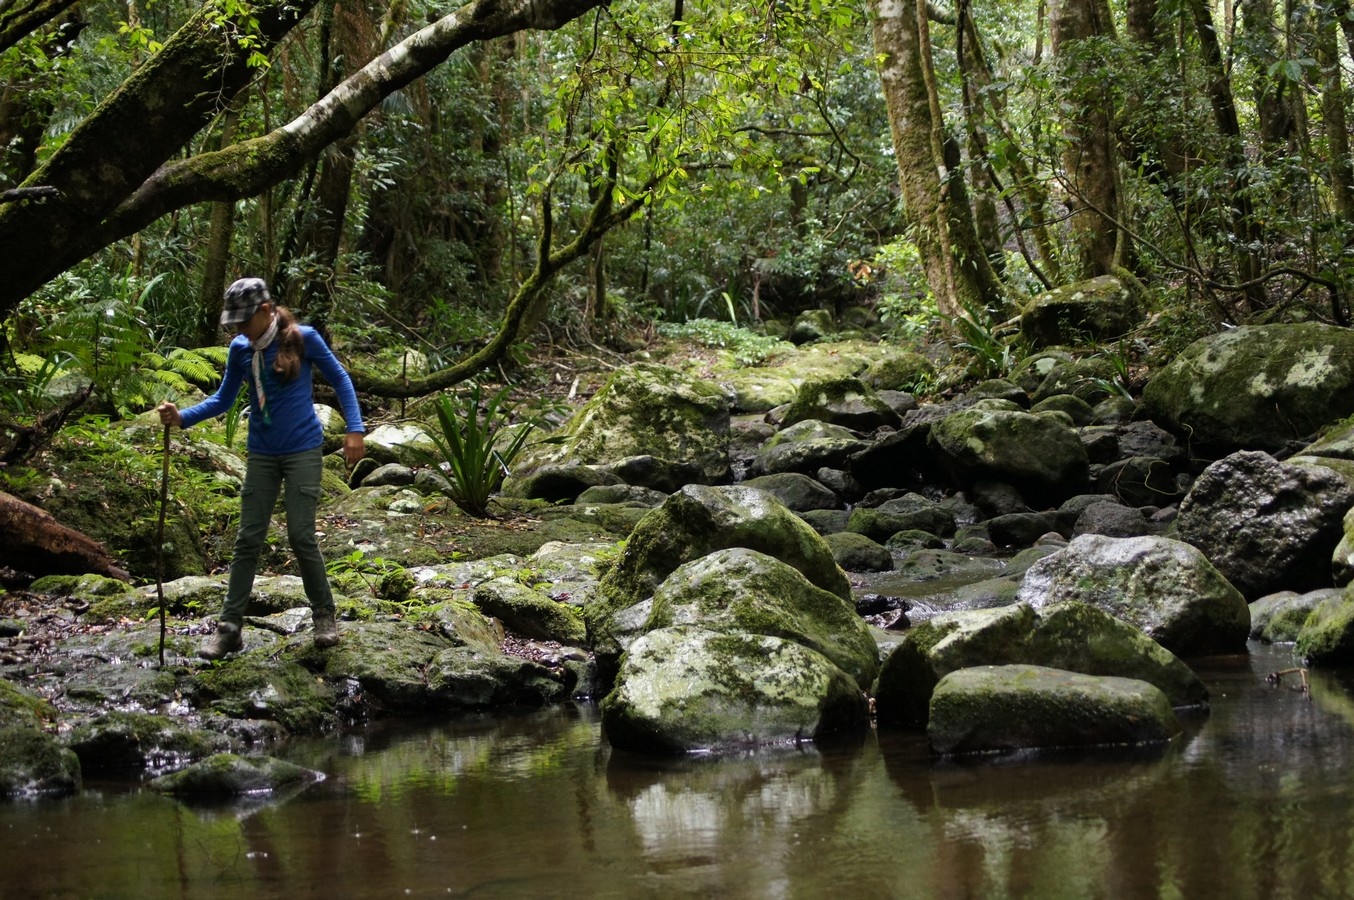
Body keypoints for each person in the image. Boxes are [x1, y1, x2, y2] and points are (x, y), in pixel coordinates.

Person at [157, 277, 366, 659]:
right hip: (262, 454)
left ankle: (324, 615)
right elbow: (222, 399)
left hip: (302, 450)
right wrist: (181, 417)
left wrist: (354, 429)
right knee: (248, 538)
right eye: (234, 322)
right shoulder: (240, 349)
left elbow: (340, 379)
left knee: (301, 536)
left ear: (266, 311)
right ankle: (229, 627)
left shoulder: (304, 338)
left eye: (243, 320)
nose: (237, 328)